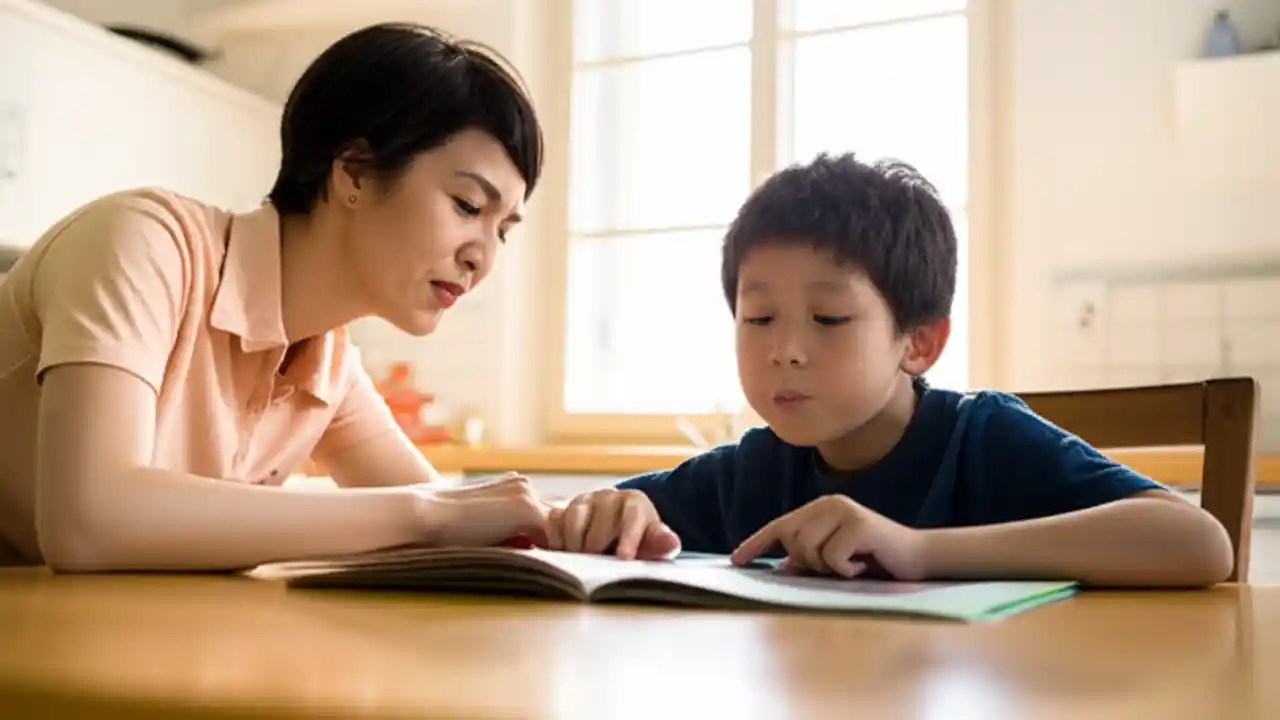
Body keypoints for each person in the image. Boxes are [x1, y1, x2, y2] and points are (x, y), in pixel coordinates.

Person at [0, 23, 549, 570]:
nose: (483, 256)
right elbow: (88, 521)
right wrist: (424, 514)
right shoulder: (144, 245)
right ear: (354, 172)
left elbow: (459, 524)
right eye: (469, 206)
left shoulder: (327, 363)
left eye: (502, 230)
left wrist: (583, 520)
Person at [546, 154, 1233, 588]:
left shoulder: (982, 439)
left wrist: (920, 550)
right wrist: (613, 510)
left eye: (829, 320)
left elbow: (1199, 544)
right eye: (759, 320)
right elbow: (568, 525)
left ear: (920, 344)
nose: (784, 348)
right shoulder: (750, 470)